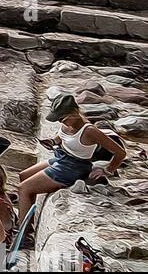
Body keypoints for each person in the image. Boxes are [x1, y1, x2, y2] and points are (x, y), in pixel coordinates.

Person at [17, 93, 126, 224]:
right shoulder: (66, 123)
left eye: (62, 119)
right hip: (61, 158)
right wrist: (52, 142)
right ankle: (28, 219)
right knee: (23, 175)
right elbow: (60, 137)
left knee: (24, 188)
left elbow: (120, 153)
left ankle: (23, 232)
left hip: (73, 168)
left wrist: (107, 170)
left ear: (74, 113)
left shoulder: (89, 131)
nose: (60, 122)